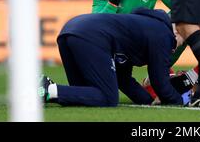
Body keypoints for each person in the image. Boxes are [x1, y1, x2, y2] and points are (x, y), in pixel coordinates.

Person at [38, 8, 189, 107]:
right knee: (107, 98)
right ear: (177, 30)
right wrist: (179, 101)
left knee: (84, 97)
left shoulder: (146, 27)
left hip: (70, 30)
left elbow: (122, 78)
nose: (178, 46)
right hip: (89, 36)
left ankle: (46, 88)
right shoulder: (164, 34)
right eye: (184, 38)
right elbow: (160, 81)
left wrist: (147, 101)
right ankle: (47, 89)